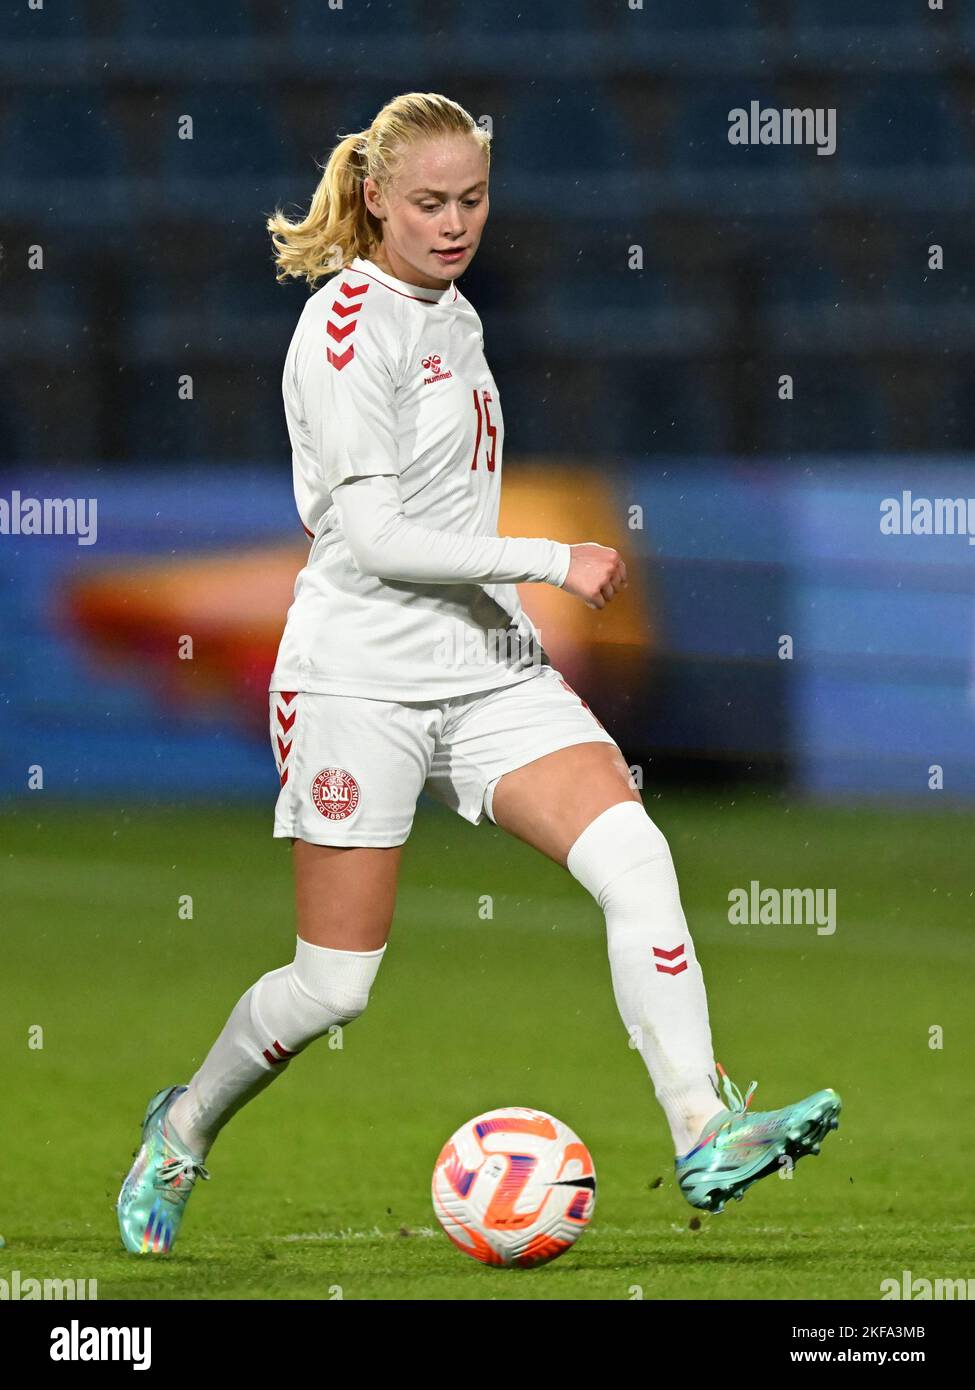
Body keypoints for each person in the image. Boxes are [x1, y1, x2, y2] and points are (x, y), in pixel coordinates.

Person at [116, 91, 840, 1256]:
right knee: (335, 986)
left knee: (635, 854)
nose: (456, 224)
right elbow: (376, 540)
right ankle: (184, 1124)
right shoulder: (346, 329)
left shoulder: (451, 312)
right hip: (360, 675)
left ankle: (706, 1125)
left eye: (474, 199)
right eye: (430, 203)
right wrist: (554, 559)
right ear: (374, 197)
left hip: (488, 665)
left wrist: (511, 600)